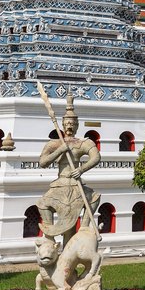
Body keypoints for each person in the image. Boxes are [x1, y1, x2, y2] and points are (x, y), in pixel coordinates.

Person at [37, 91, 100, 244]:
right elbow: (43, 162)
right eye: (67, 124)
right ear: (63, 125)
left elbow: (96, 157)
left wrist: (81, 169)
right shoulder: (55, 143)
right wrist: (60, 151)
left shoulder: (84, 142)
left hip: (75, 181)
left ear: (77, 126)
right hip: (60, 182)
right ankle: (49, 238)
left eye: (72, 124)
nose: (69, 127)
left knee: (94, 198)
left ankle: (83, 229)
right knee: (43, 204)